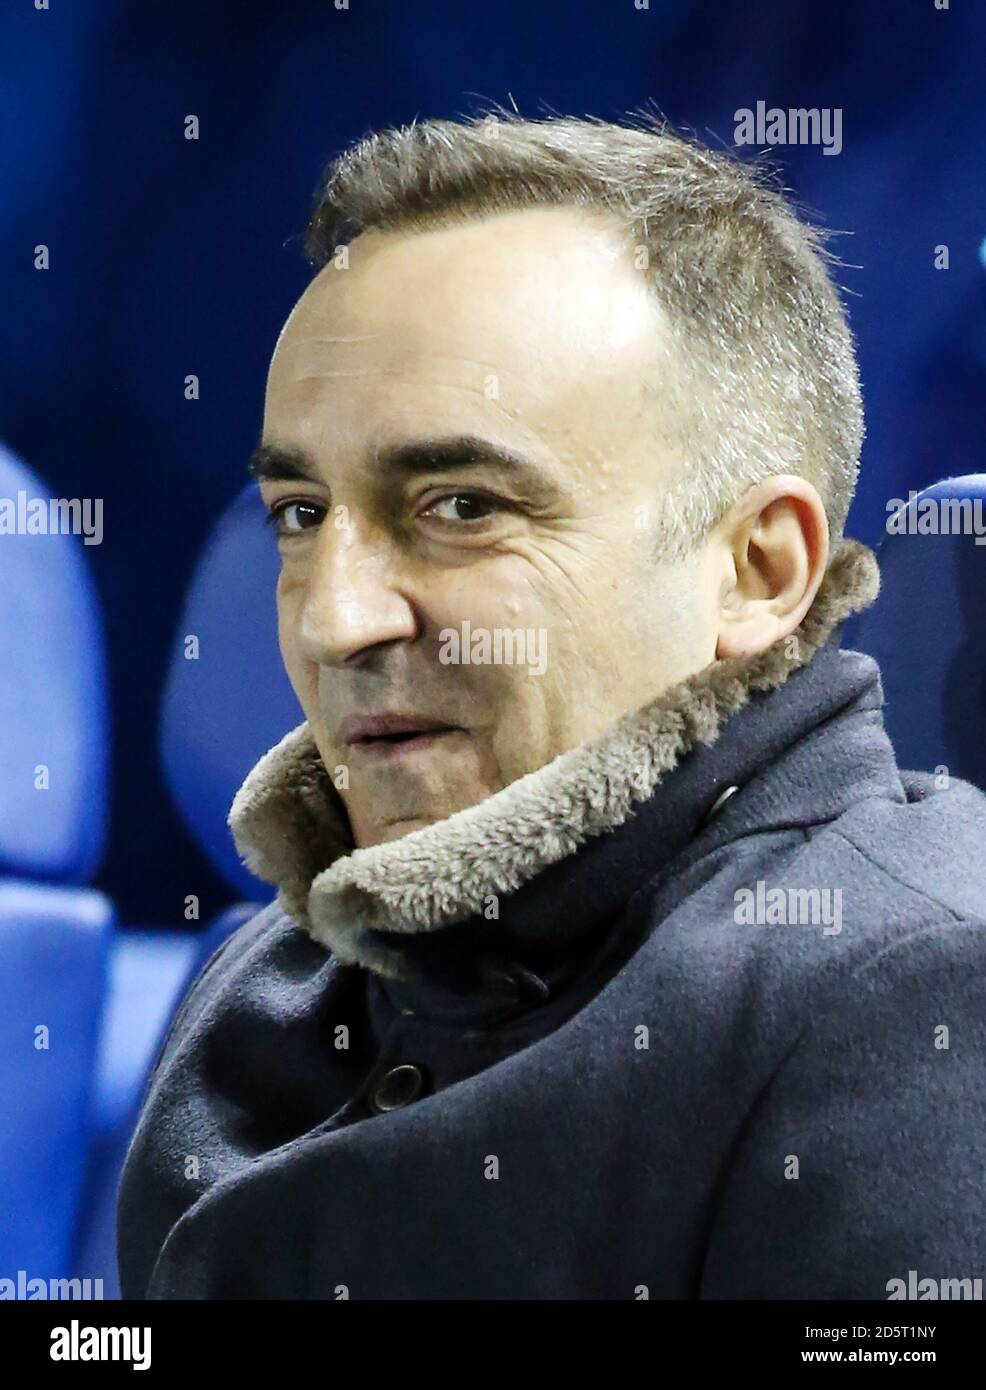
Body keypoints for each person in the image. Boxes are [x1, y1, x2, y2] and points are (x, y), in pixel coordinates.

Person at [116, 112, 986, 1300]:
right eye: (300, 514)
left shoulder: (918, 994)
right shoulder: (268, 978)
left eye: (460, 505)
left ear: (757, 570)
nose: (331, 620)